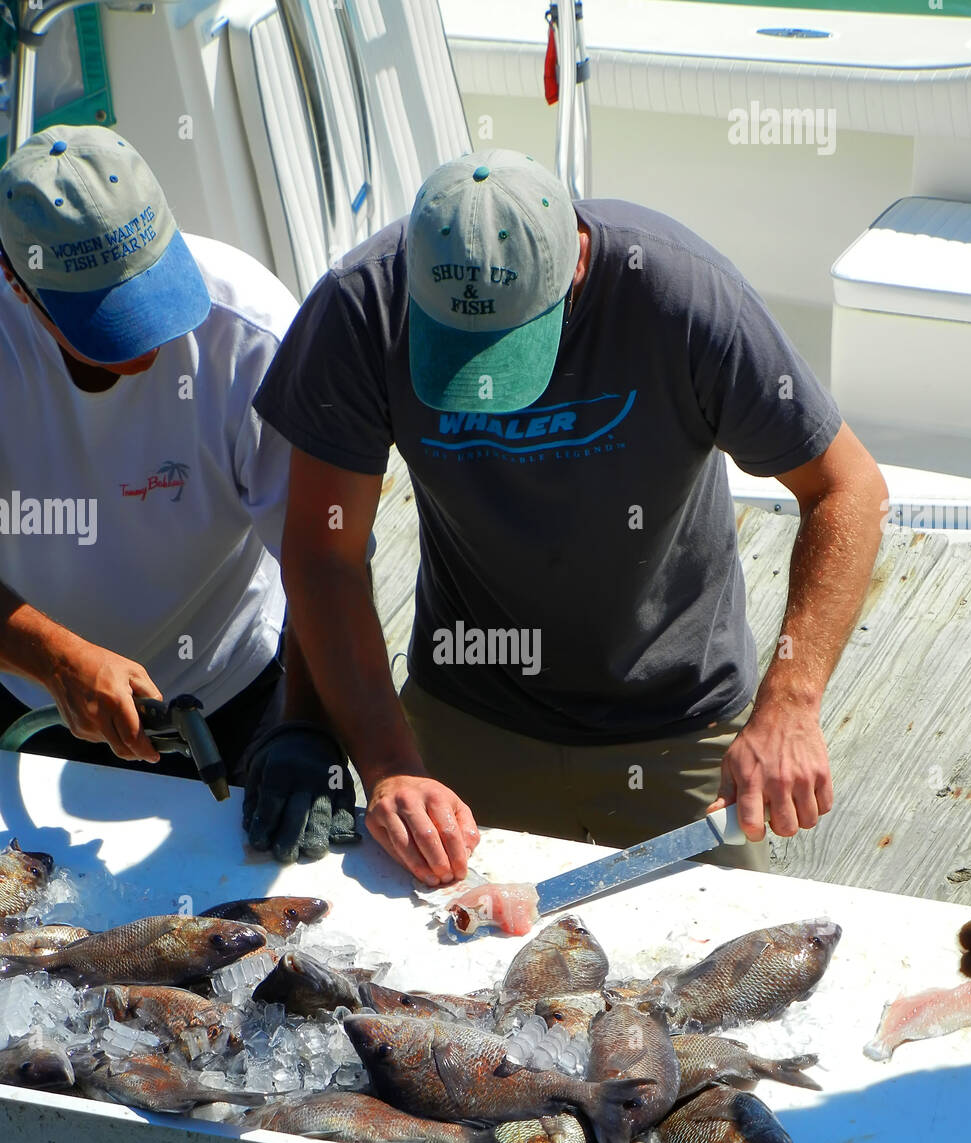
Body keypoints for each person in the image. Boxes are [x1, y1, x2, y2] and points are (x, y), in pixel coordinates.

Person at [250, 148, 888, 883]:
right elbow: (324, 552)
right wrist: (389, 764)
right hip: (469, 710)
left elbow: (846, 488)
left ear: (574, 269)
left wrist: (789, 707)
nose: (486, 380)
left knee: (712, 978)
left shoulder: (683, 297)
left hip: (678, 718)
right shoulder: (360, 304)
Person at [0, 123, 356, 848]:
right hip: (23, 693)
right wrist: (52, 656)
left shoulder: (253, 332)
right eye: (107, 318)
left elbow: (323, 557)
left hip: (235, 682)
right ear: (17, 281)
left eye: (155, 293)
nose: (150, 340)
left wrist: (310, 723)